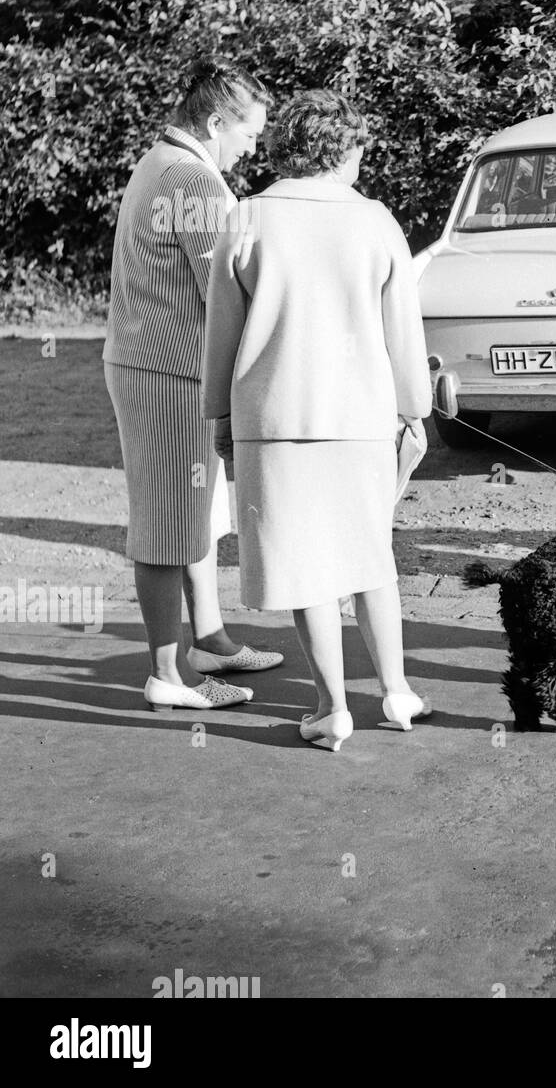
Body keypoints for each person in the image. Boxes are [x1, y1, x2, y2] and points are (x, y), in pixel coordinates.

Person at [202, 90, 434, 751]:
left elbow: (223, 332)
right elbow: (404, 333)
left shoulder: (247, 218)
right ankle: (396, 692)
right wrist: (414, 410)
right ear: (347, 149)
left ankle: (333, 707)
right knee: (370, 556)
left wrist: (218, 413)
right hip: (361, 419)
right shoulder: (376, 222)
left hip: (273, 421)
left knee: (306, 566)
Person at [104, 55, 282, 712]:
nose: (255, 146)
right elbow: (230, 290)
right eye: (249, 133)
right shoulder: (198, 184)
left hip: (158, 363)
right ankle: (169, 677)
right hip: (167, 372)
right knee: (163, 525)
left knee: (194, 515)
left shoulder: (163, 162)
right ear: (214, 122)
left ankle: (208, 638)